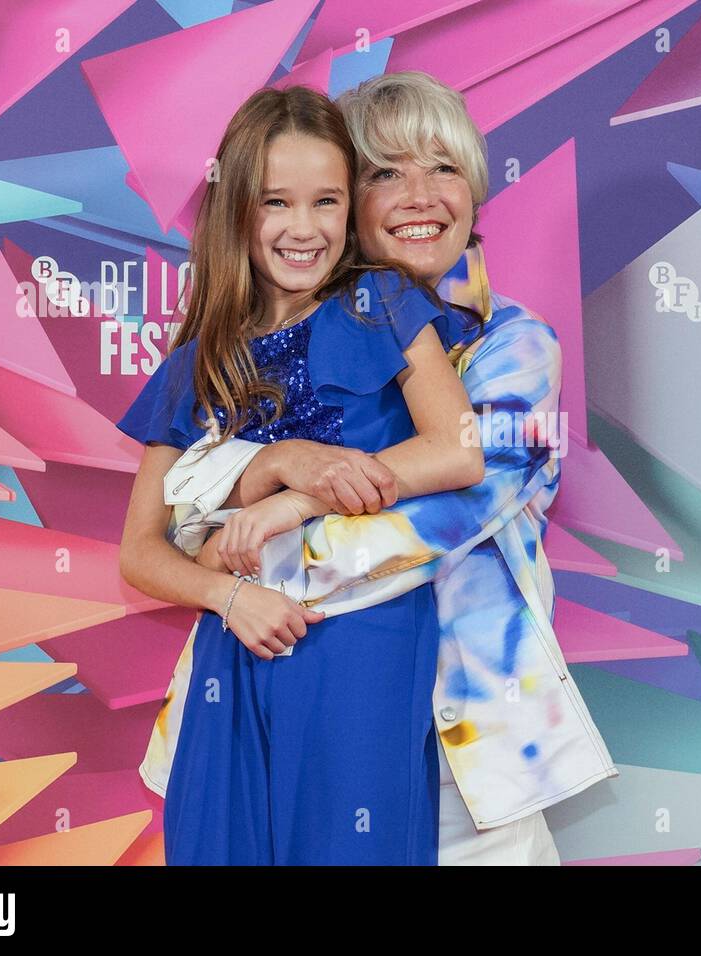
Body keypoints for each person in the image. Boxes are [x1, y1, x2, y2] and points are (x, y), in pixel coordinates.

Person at [142, 72, 619, 865]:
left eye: (445, 167)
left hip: (467, 745)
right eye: (386, 172)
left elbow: (446, 507)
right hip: (268, 713)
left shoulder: (515, 347)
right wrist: (248, 499)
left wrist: (281, 506)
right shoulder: (264, 350)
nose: (421, 195)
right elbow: (172, 525)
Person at [116, 84, 484, 865]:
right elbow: (140, 551)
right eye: (276, 202)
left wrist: (294, 498)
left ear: (351, 210)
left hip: (362, 630)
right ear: (236, 210)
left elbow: (456, 449)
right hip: (236, 644)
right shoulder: (197, 362)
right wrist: (229, 595)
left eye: (327, 201)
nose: (304, 227)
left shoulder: (380, 302)